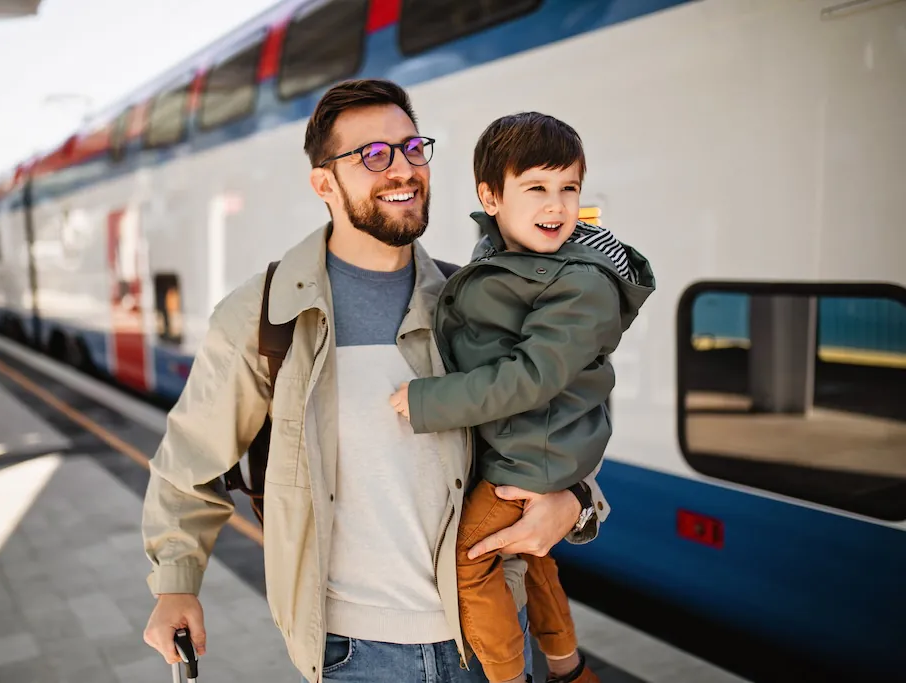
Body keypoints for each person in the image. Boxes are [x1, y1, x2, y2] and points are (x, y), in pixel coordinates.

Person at [141, 79, 610, 683]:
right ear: (324, 184)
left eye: (413, 148)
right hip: (356, 654)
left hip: (489, 639)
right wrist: (175, 584)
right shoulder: (266, 315)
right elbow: (188, 464)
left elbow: (566, 406)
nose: (403, 170)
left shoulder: (473, 299)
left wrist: (573, 502)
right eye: (373, 155)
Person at [389, 113, 655, 683]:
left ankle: (510, 677)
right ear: (491, 196)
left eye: (568, 189)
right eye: (537, 188)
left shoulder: (579, 283)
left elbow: (529, 377)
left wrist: (429, 402)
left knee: (470, 562)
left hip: (528, 451)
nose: (557, 206)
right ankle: (568, 666)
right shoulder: (518, 261)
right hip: (532, 443)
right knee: (532, 555)